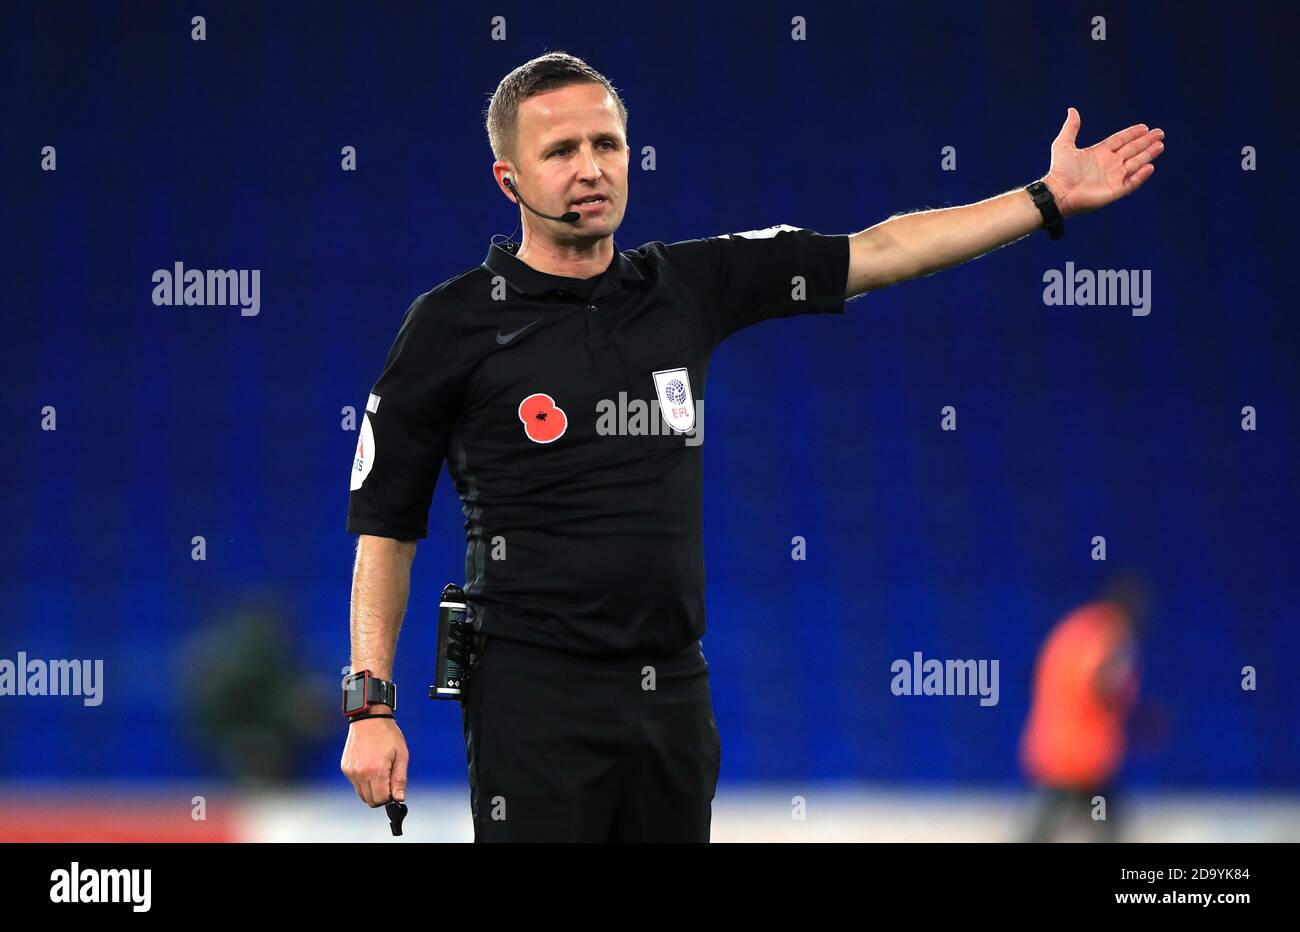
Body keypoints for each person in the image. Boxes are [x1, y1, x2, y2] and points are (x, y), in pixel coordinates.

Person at [340, 51, 1167, 842]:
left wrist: (1045, 198)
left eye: (607, 144)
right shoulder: (451, 325)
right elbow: (386, 527)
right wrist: (371, 707)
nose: (591, 168)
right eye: (561, 151)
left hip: (671, 690)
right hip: (532, 693)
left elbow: (880, 250)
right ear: (509, 179)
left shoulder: (685, 286)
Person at [1019, 575, 1150, 842]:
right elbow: (1102, 683)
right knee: (1097, 822)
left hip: (1061, 747)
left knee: (1062, 822)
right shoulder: (1108, 636)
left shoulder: (1078, 628)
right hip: (1080, 755)